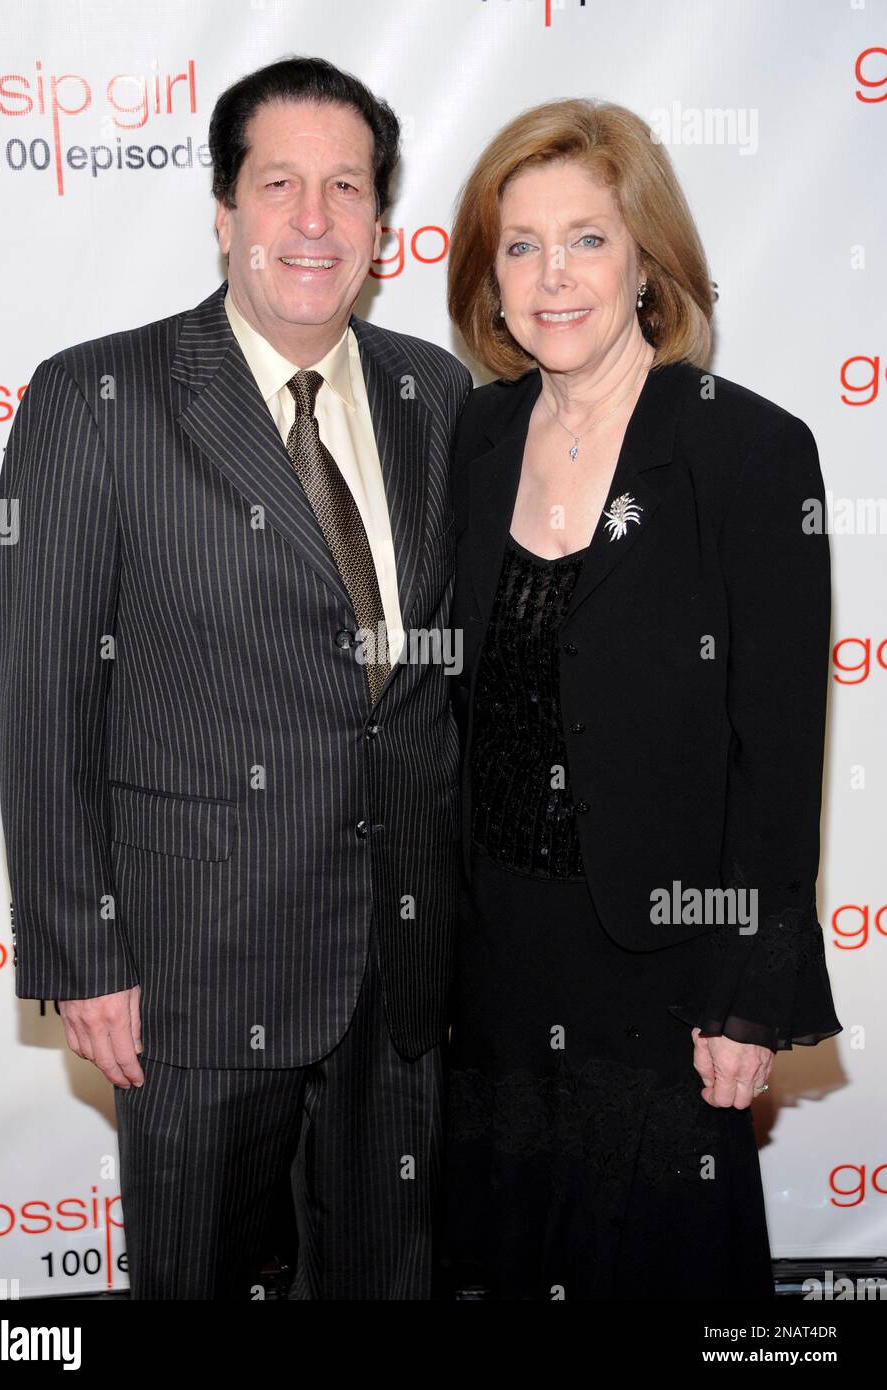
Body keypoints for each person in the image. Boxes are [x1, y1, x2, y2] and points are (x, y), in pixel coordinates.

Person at [0, 55, 471, 1300]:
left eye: (347, 187)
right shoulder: (98, 398)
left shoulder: (442, 394)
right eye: (280, 185)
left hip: (403, 973)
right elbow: (46, 707)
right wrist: (83, 952)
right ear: (223, 213)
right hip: (195, 973)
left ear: (381, 223)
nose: (315, 220)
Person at [437, 97, 842, 1301]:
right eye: (521, 244)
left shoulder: (749, 453)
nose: (553, 276)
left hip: (666, 971)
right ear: (489, 275)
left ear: (649, 262)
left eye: (588, 239)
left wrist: (749, 998)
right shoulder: (473, 437)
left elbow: (777, 753)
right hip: (494, 965)